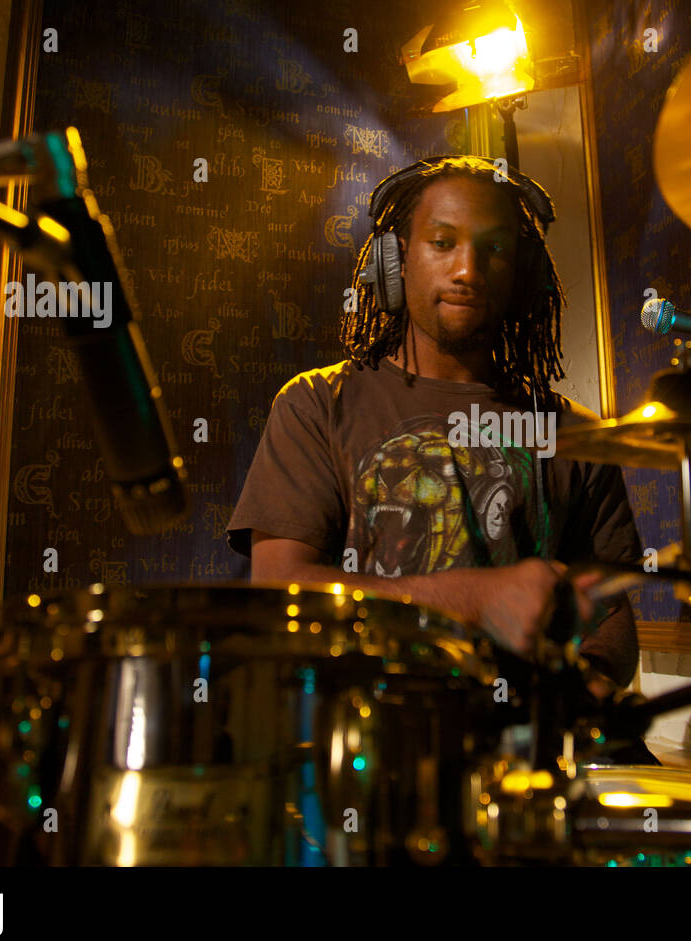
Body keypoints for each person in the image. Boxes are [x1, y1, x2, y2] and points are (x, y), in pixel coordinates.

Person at [225, 154, 642, 698]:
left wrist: (588, 695)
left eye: (494, 248)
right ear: (394, 264)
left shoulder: (578, 435)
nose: (468, 270)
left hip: (524, 758)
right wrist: (475, 598)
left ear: (523, 274)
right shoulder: (315, 404)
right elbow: (282, 586)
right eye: (443, 243)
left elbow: (610, 616)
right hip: (368, 741)